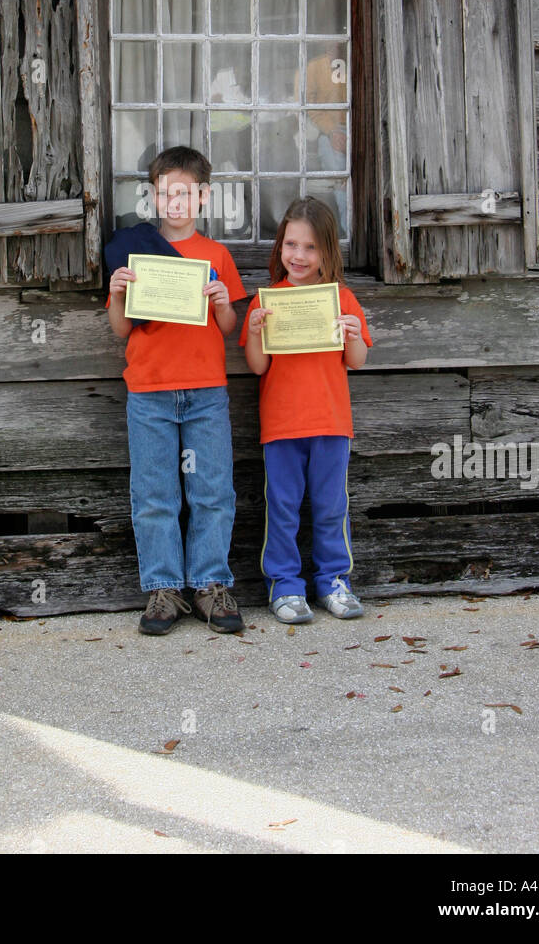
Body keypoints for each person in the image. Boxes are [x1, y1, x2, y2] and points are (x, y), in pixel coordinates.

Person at [107, 146, 247, 636]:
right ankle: (163, 588)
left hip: (206, 390)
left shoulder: (217, 255)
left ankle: (210, 584)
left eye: (185, 194)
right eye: (166, 193)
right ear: (154, 196)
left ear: (203, 196)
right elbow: (122, 329)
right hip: (150, 390)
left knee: (212, 491)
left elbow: (229, 327)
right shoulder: (138, 253)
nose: (176, 203)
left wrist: (222, 302)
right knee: (154, 493)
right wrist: (119, 292)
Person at [239, 196, 372, 624]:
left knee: (332, 505)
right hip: (281, 424)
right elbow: (258, 366)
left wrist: (352, 333)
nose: (298, 255)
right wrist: (258, 330)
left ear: (327, 252)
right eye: (291, 245)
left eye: (310, 247)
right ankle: (285, 585)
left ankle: (334, 581)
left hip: (331, 422)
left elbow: (357, 361)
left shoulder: (342, 299)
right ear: (279, 247)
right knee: (282, 505)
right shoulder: (267, 301)